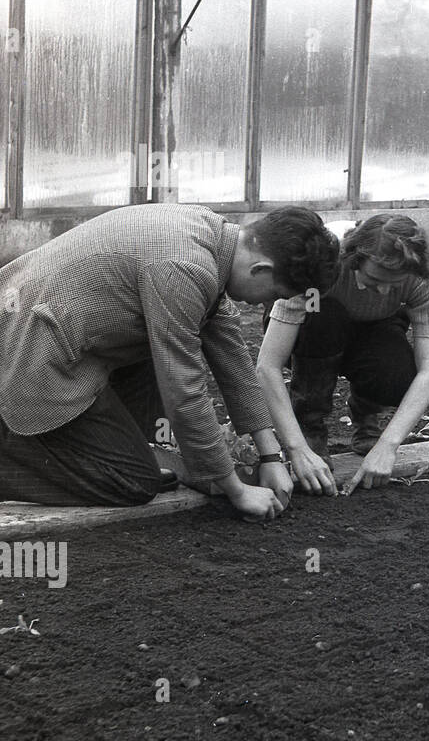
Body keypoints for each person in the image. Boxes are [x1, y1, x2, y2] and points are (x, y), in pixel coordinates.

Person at [0, 203, 339, 519]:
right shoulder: (183, 265)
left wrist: (270, 455)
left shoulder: (211, 237)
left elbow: (233, 359)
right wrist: (235, 489)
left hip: (52, 332)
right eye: (275, 294)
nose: (263, 305)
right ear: (260, 269)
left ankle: (115, 449)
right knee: (133, 480)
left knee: (148, 407)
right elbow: (184, 389)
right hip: (31, 353)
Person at [256, 213, 429, 495]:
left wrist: (388, 447)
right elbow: (267, 366)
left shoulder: (428, 274)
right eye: (374, 279)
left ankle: (367, 414)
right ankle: (310, 427)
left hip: (376, 326)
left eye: (394, 285)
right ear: (354, 259)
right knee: (323, 315)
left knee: (397, 375)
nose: (383, 290)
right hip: (315, 324)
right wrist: (296, 448)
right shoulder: (322, 257)